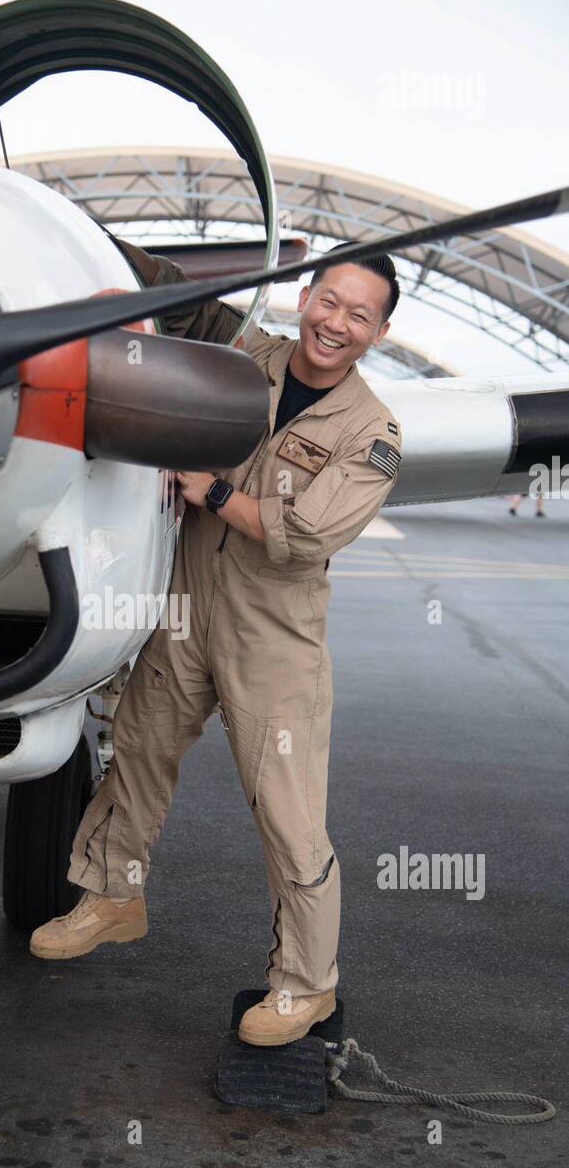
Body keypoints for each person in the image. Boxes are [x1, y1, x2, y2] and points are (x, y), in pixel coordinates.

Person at [30, 234, 403, 1047]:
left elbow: (305, 534)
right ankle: (113, 899)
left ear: (377, 332)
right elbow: (170, 294)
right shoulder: (246, 359)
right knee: (138, 748)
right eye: (328, 301)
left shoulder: (372, 432)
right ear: (304, 297)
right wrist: (79, 236)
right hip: (186, 605)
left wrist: (217, 489)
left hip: (273, 635)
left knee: (288, 811)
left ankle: (307, 985)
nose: (336, 323)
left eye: (360, 315)